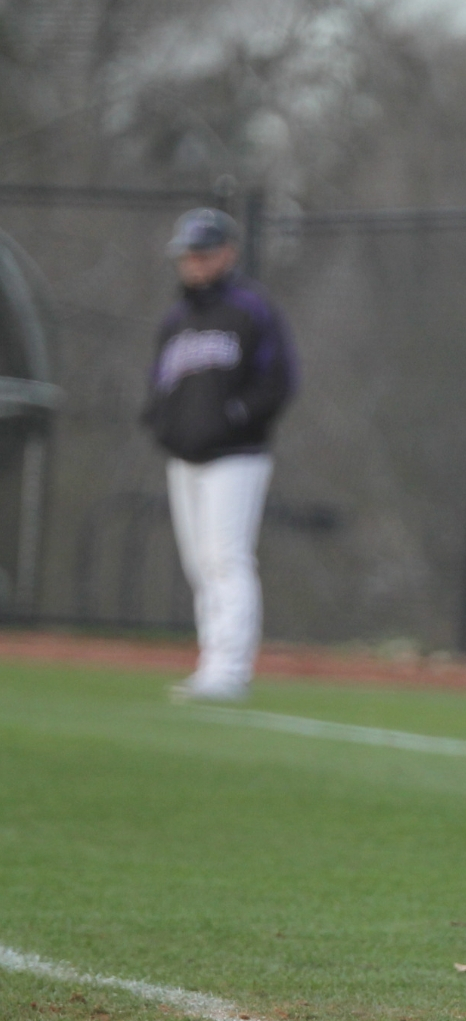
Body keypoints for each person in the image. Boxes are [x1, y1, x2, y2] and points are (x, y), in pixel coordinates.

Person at [141, 208, 297, 703]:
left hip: (237, 455)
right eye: (188, 254)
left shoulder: (252, 309)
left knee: (226, 558)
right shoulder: (177, 318)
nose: (194, 263)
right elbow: (160, 386)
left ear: (227, 253)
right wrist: (163, 426)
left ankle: (229, 669)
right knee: (199, 564)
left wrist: (234, 417)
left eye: (203, 253)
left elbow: (279, 381)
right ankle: (212, 662)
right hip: (185, 457)